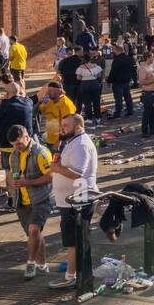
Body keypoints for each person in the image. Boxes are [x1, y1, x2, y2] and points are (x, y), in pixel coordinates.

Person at [48, 113, 99, 290]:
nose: (62, 129)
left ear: (78, 127)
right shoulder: (73, 142)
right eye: (62, 125)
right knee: (72, 240)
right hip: (70, 201)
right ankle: (75, 273)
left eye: (66, 126)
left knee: (74, 240)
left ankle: (71, 276)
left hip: (77, 202)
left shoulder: (81, 145)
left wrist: (56, 168)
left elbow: (77, 173)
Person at [6, 124, 52, 280]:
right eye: (14, 145)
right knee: (34, 235)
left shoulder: (41, 153)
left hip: (41, 198)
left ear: (27, 137)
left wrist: (28, 182)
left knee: (33, 231)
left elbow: (51, 176)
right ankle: (42, 265)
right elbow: (14, 175)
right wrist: (13, 184)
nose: (17, 147)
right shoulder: (14, 155)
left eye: (19, 144)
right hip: (22, 201)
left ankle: (31, 264)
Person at [107, 44, 137, 118]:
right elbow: (133, 69)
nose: (112, 51)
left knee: (118, 98)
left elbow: (113, 71)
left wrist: (109, 80)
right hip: (126, 80)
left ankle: (118, 113)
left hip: (117, 82)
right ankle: (130, 111)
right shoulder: (128, 58)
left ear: (117, 50)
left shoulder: (117, 60)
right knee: (128, 97)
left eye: (113, 50)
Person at [75, 51, 104, 122]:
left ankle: (89, 118)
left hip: (85, 84)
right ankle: (98, 117)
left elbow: (78, 78)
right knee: (96, 101)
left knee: (87, 102)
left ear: (83, 59)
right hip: (94, 83)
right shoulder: (96, 66)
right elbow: (99, 75)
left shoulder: (80, 67)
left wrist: (84, 76)